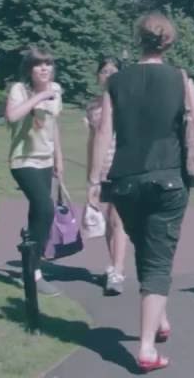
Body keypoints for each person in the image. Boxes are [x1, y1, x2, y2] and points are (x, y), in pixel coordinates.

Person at [87, 13, 194, 374]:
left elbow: (105, 132)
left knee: (144, 246)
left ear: (138, 39)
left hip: (124, 180)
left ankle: (161, 319)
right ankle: (146, 348)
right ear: (168, 42)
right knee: (158, 260)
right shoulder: (179, 78)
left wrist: (95, 182)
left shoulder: (117, 82)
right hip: (168, 177)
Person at [4, 46, 65, 297]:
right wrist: (39, 97)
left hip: (45, 160)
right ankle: (34, 271)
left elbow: (53, 126)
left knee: (37, 213)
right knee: (45, 208)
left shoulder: (57, 89)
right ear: (30, 69)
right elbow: (11, 116)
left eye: (48, 64)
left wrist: (58, 159)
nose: (44, 68)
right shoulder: (20, 89)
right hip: (23, 160)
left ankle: (29, 260)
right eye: (39, 64)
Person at [85, 56, 129, 296]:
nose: (108, 74)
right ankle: (112, 262)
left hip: (122, 166)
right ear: (98, 76)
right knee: (107, 220)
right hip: (101, 169)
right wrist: (90, 173)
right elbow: (92, 141)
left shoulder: (128, 103)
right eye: (104, 71)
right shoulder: (93, 107)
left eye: (113, 71)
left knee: (117, 217)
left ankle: (118, 270)